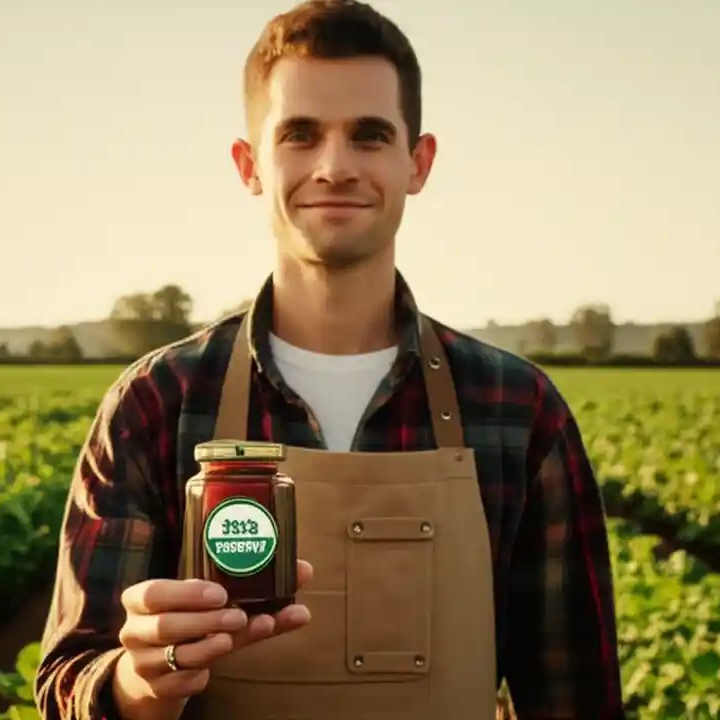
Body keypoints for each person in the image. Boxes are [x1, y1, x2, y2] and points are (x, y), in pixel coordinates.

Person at [35, 1, 625, 718]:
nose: (335, 166)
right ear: (250, 165)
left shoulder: (518, 409)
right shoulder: (157, 402)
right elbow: (69, 680)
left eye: (370, 136)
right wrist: (139, 681)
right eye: (300, 135)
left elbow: (575, 699)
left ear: (419, 162)